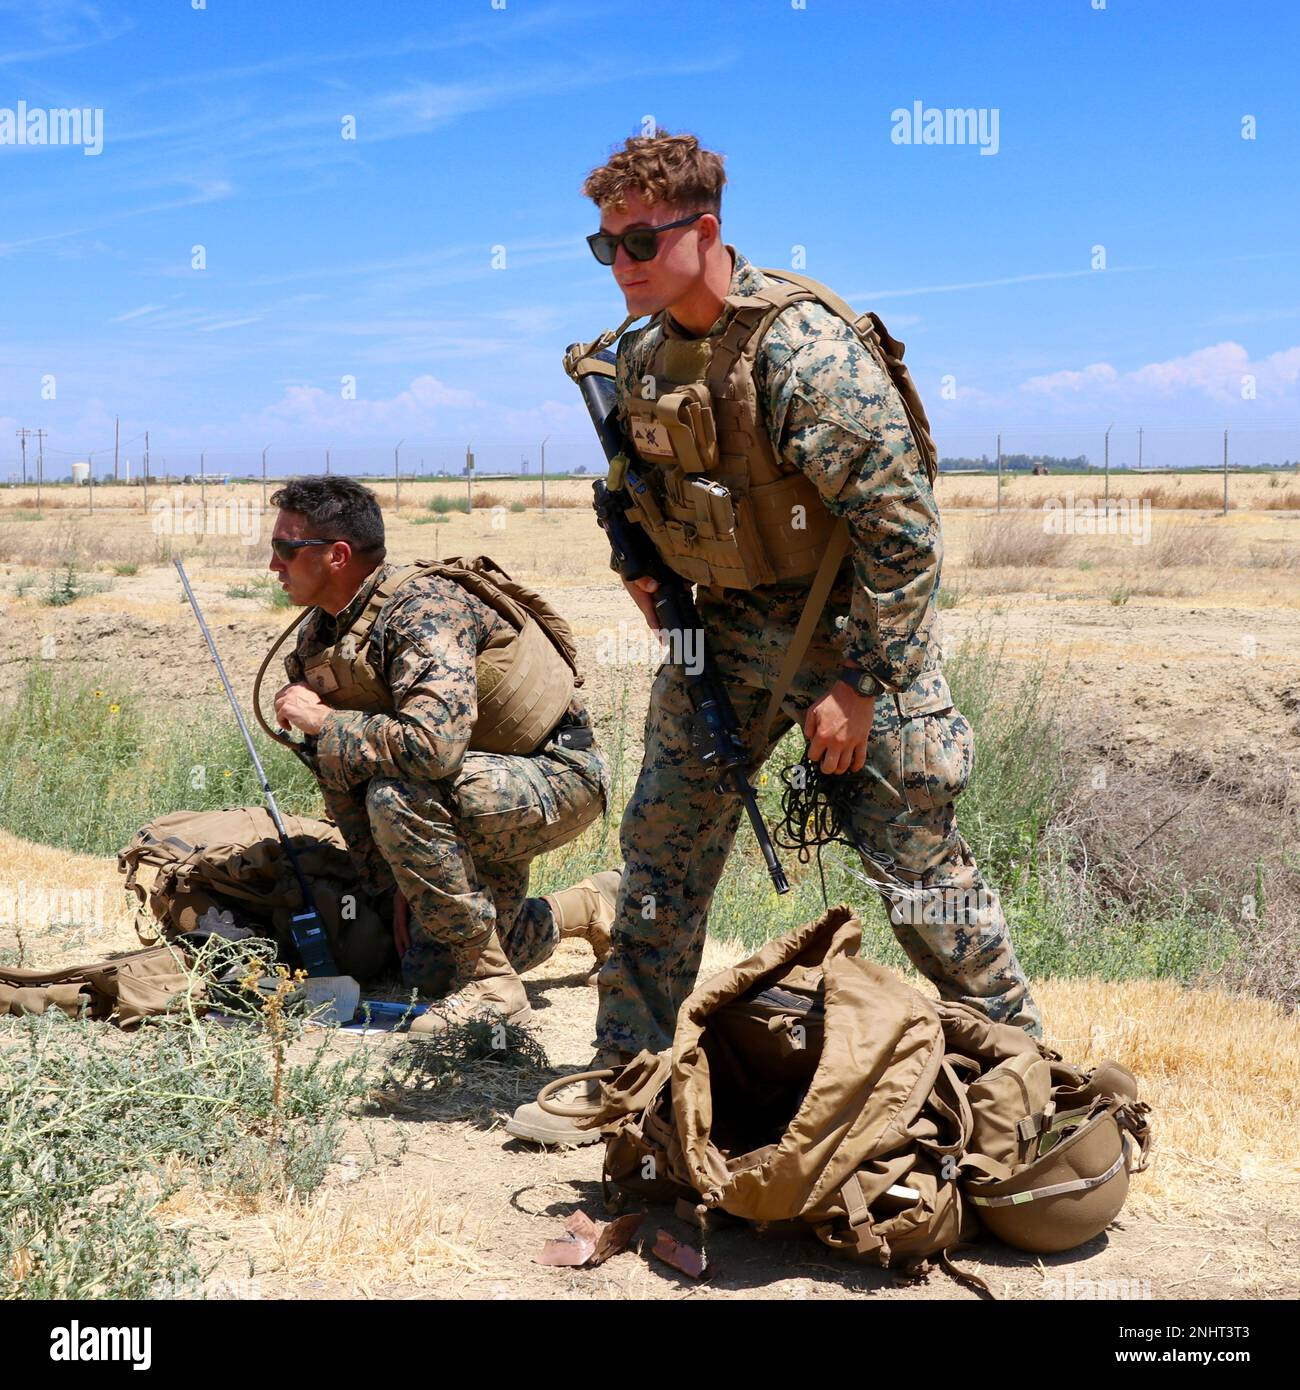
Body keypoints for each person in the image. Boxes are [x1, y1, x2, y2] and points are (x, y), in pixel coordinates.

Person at [507, 130, 1041, 1144]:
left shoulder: (803, 353)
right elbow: (630, 493)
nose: (621, 264)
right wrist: (644, 574)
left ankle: (1026, 1078)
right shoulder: (636, 356)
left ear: (706, 229)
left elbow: (903, 536)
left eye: (640, 242)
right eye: (605, 246)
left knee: (920, 877)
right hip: (718, 637)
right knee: (661, 856)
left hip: (846, 633)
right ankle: (625, 1077)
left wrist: (861, 684)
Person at [265, 475, 617, 1032]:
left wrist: (326, 722)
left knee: (395, 797)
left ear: (337, 555)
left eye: (285, 549)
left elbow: (433, 747)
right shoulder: (321, 639)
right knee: (429, 968)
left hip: (556, 776)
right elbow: (342, 771)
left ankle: (492, 987)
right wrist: (400, 881)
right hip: (465, 787)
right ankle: (591, 905)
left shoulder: (423, 609)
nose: (273, 566)